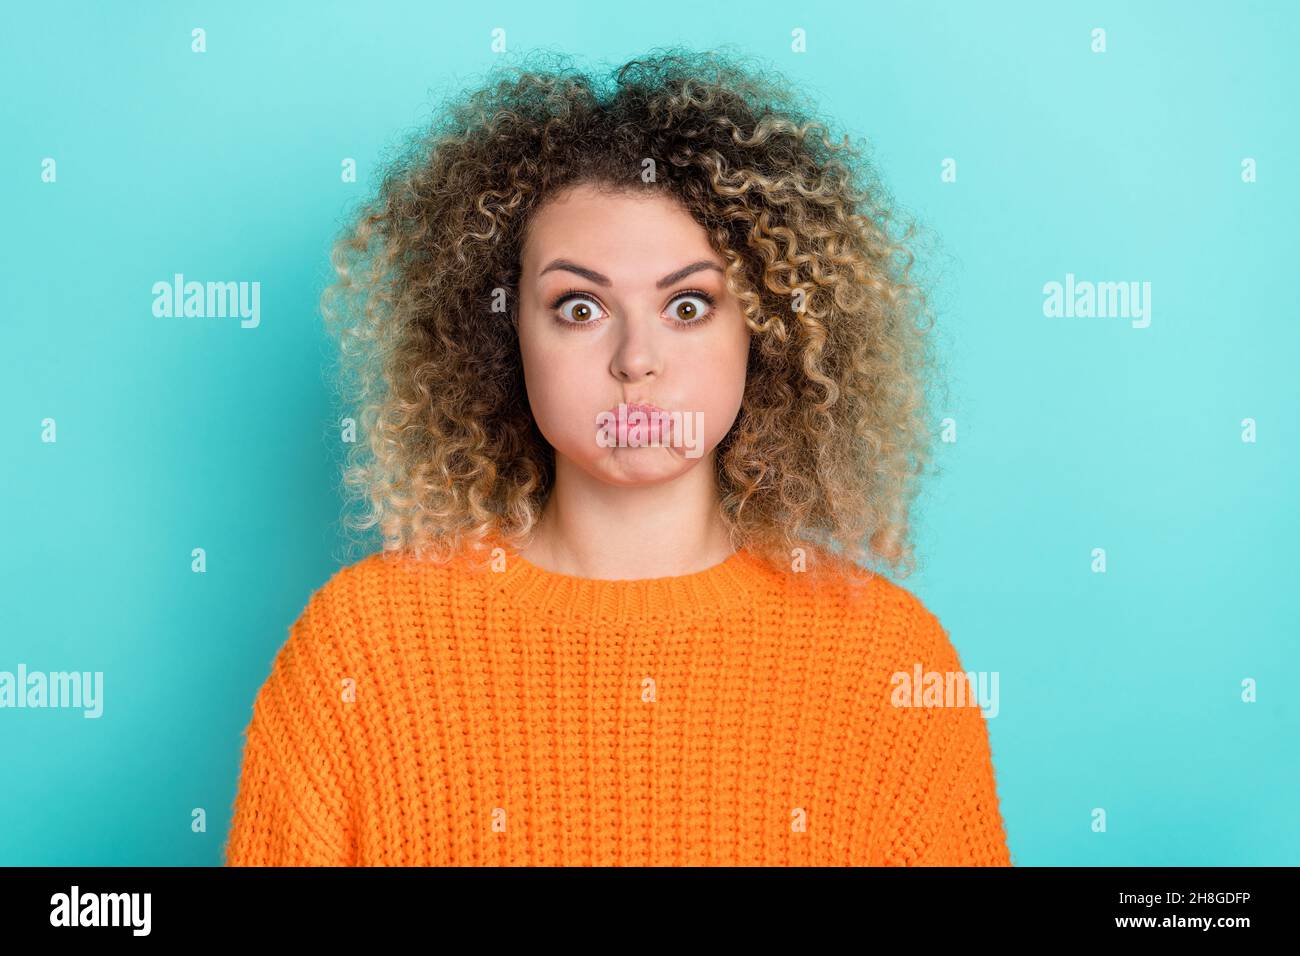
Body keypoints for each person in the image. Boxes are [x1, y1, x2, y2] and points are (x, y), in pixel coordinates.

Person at [223, 48, 1012, 867]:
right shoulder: (359, 653)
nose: (637, 358)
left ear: (763, 330)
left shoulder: (891, 663)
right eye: (579, 307)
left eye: (687, 305)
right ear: (503, 334)